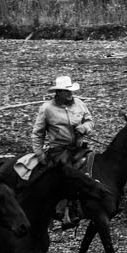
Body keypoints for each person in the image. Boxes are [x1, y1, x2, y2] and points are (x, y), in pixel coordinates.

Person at [29, 75, 95, 228]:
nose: (70, 93)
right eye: (67, 91)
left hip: (79, 147)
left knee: (95, 163)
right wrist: (39, 154)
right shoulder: (47, 108)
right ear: (58, 92)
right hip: (59, 150)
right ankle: (61, 213)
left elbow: (90, 121)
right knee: (65, 173)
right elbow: (38, 133)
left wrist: (84, 128)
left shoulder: (79, 103)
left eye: (71, 90)